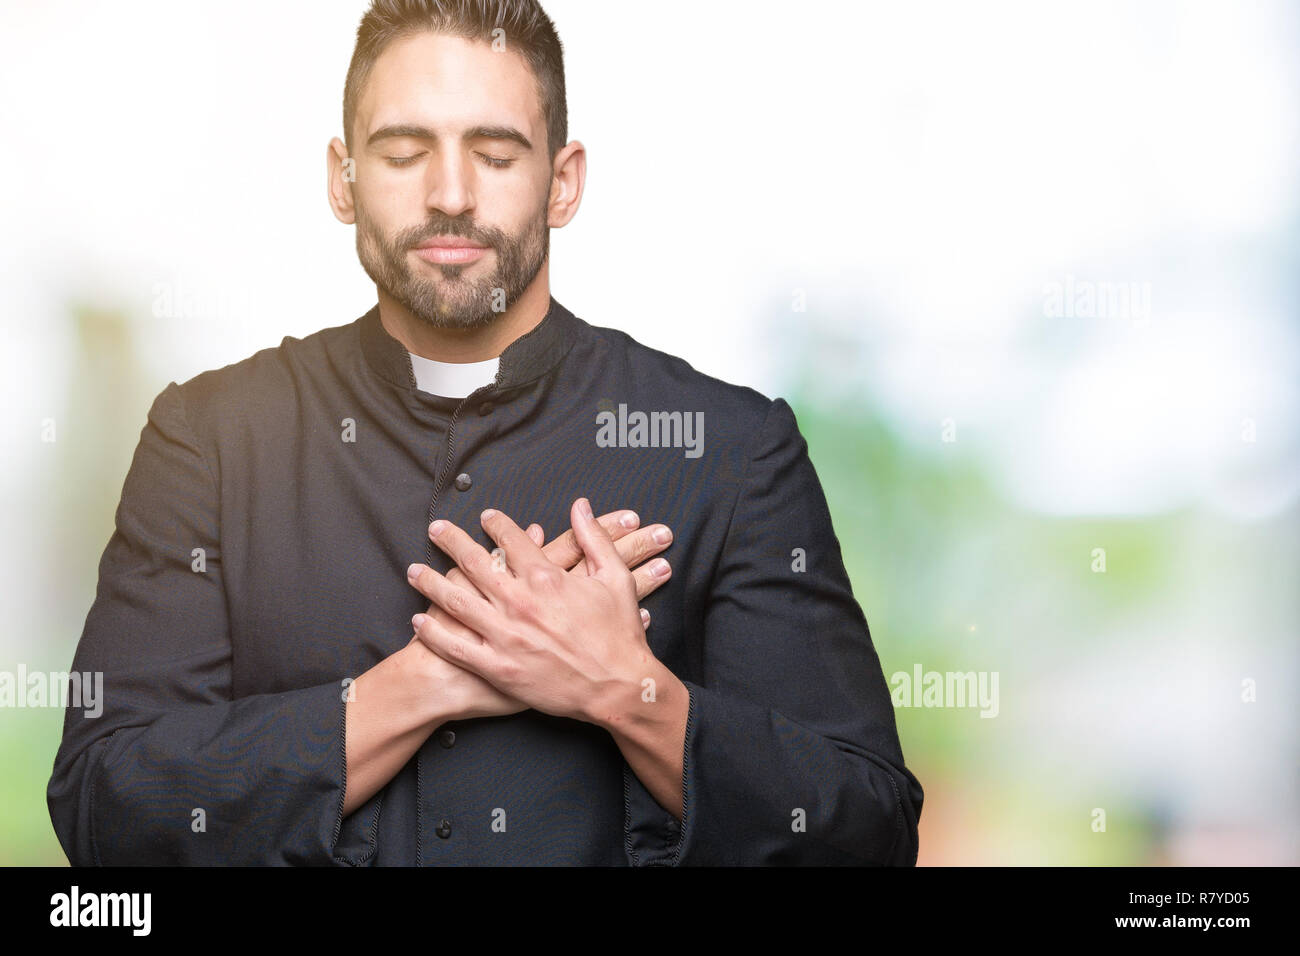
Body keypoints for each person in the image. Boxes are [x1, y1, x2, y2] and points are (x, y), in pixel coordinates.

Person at [47, 0, 923, 865]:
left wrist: (623, 688)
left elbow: (868, 830)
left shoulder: (731, 448)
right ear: (341, 180)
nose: (451, 195)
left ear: (564, 180)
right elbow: (104, 810)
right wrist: (422, 685)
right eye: (403, 151)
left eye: (496, 153)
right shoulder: (207, 440)